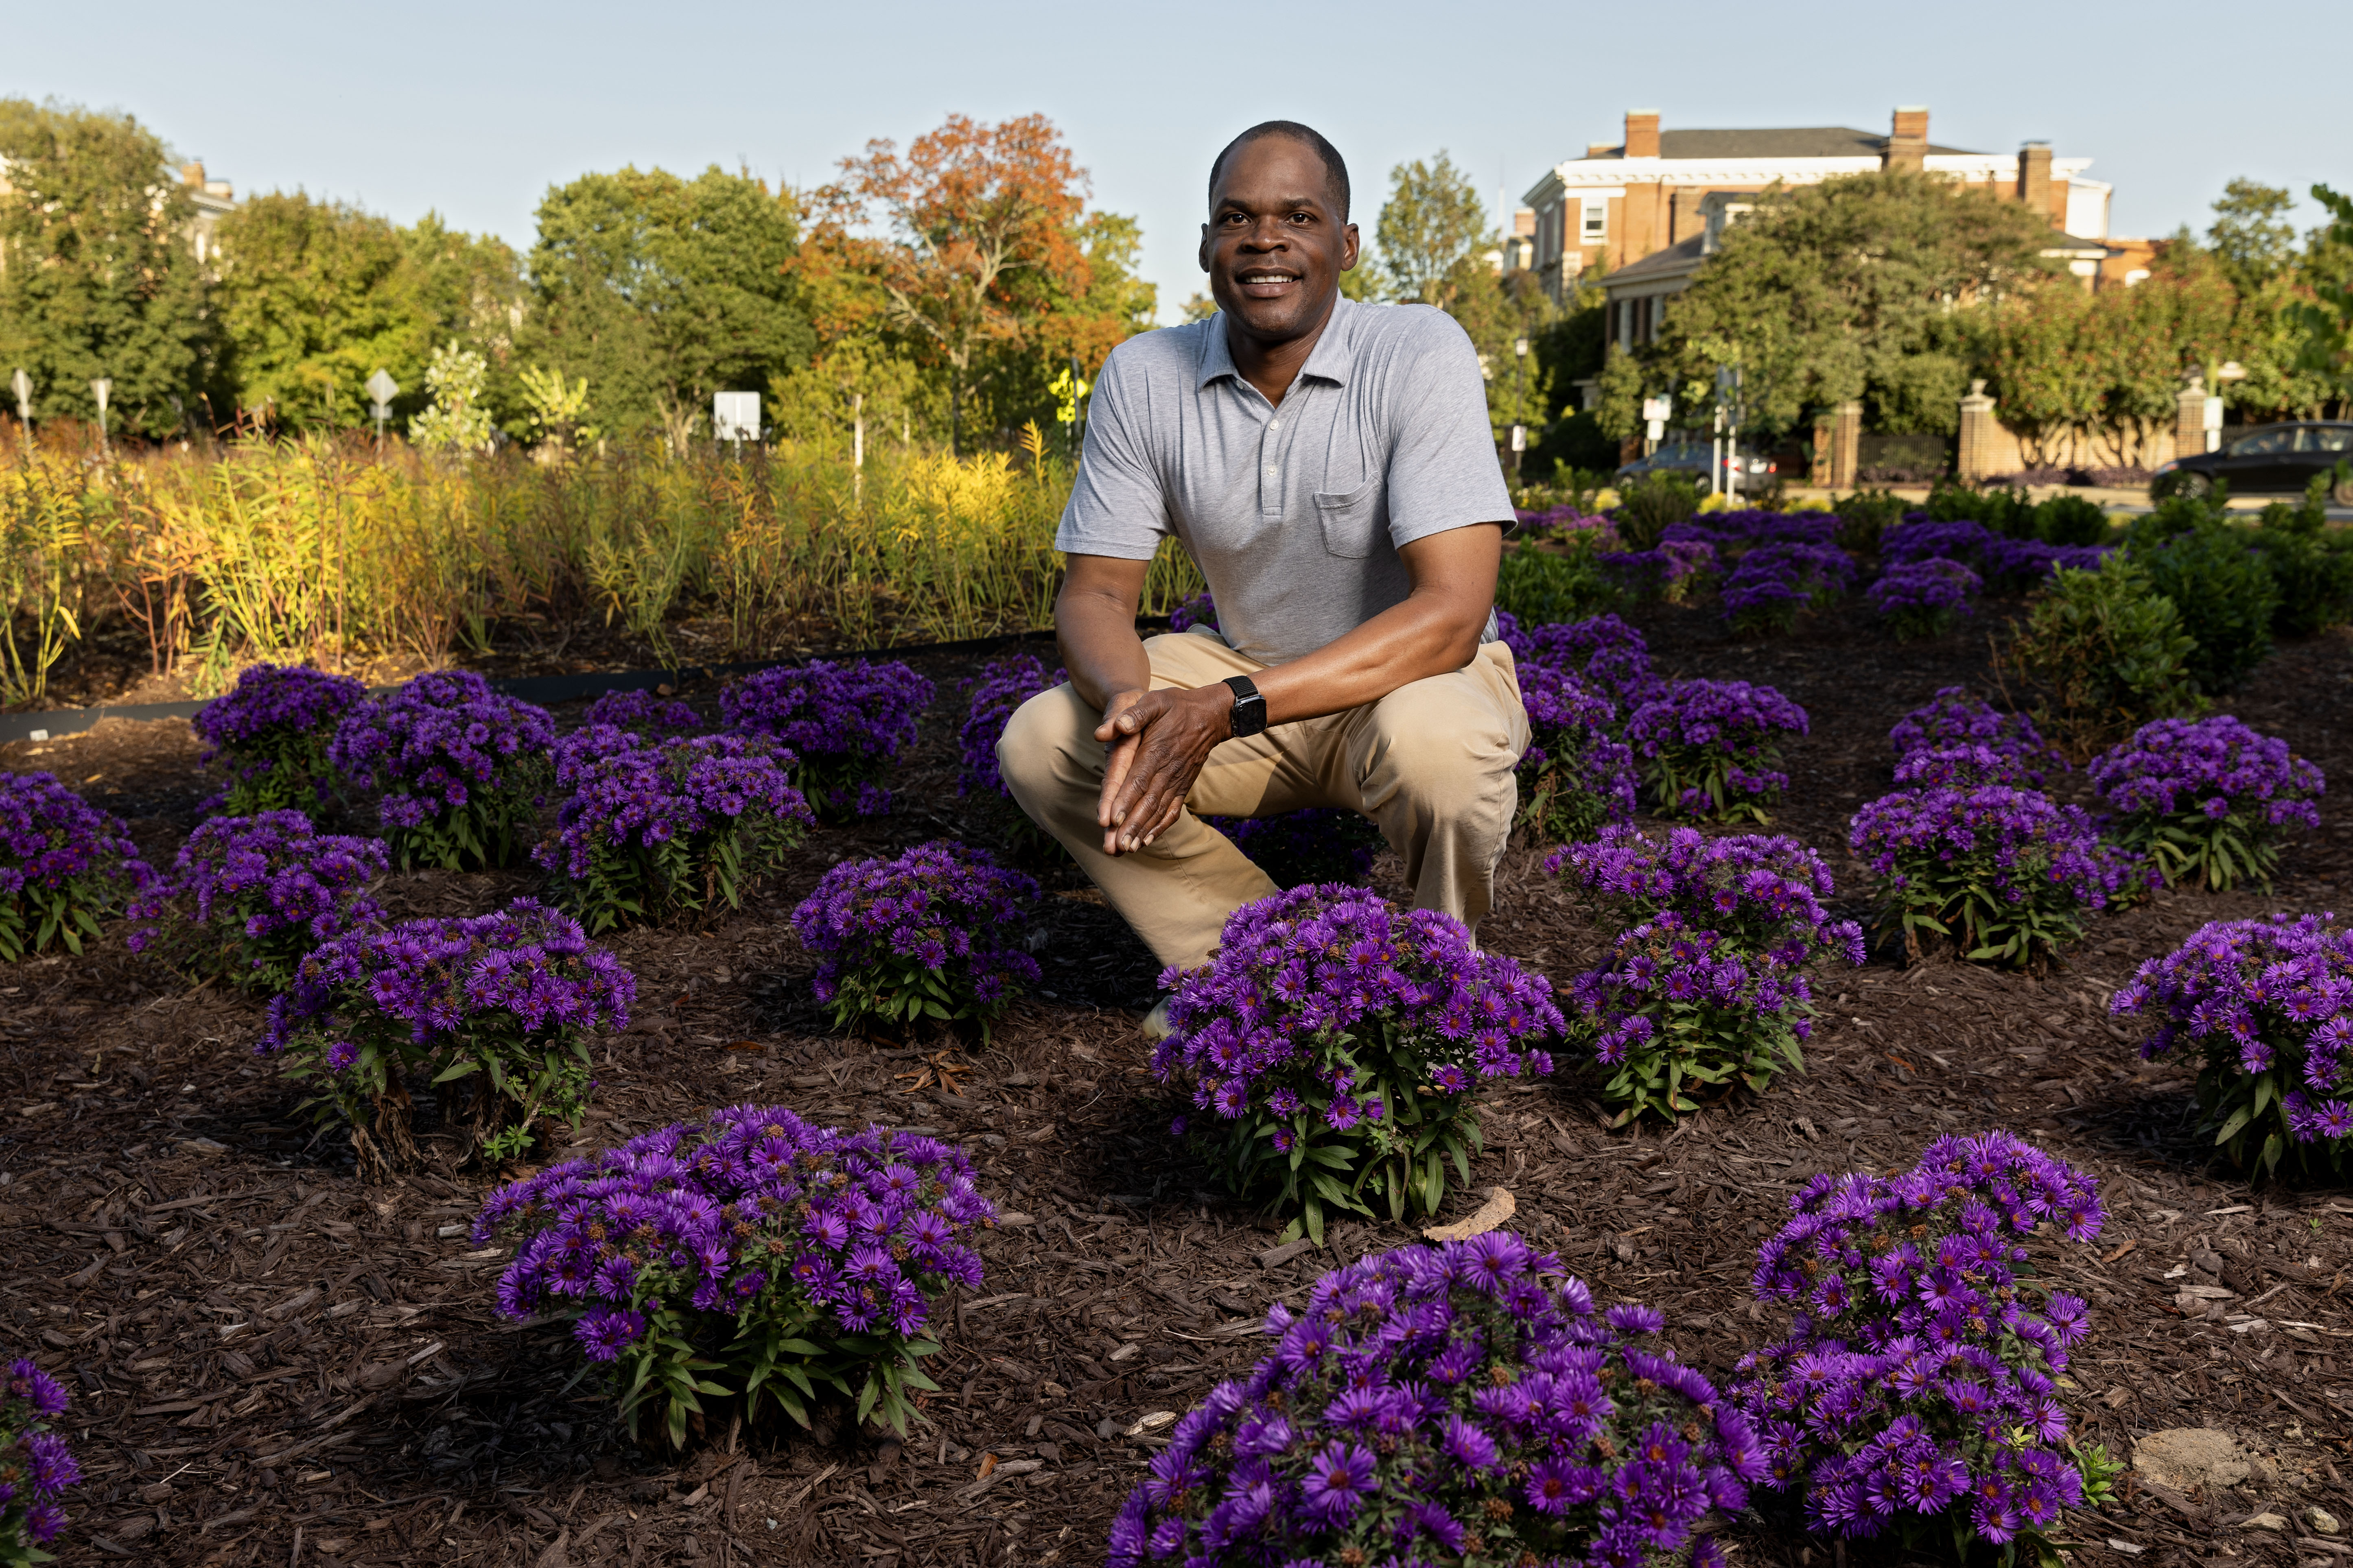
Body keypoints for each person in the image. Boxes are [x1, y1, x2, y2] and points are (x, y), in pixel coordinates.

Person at [997, 120, 1526, 1028]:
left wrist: (1224, 706)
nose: (1264, 240)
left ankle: (1434, 991)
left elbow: (1450, 614)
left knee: (1437, 747)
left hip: (1409, 682)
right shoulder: (1144, 375)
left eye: (1298, 217)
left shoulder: (1416, 350)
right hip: (1245, 676)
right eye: (1236, 218)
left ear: (1345, 245)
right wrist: (1132, 708)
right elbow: (1096, 592)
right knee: (1044, 739)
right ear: (1206, 245)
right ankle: (1260, 967)